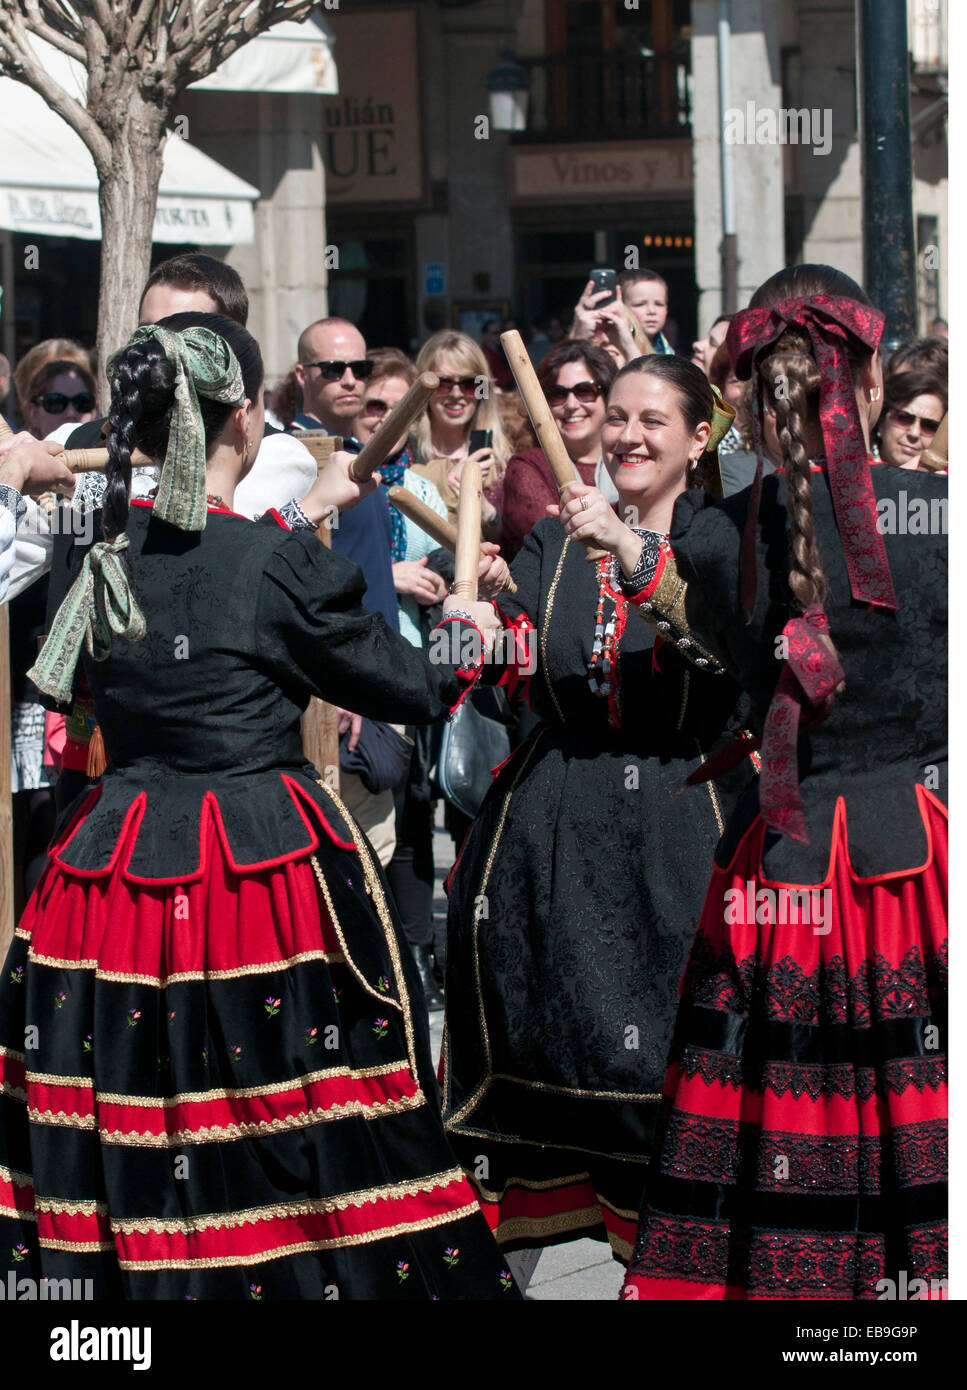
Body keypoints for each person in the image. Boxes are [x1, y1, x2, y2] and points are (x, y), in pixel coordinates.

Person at [0, 312, 520, 1301]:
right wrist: (465, 629)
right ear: (245, 419)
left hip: (109, 871)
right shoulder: (273, 564)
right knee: (298, 1111)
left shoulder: (107, 559)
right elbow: (407, 687)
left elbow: (194, 586)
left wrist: (305, 518)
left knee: (146, 1101)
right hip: (255, 867)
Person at [614, 265, 947, 1300]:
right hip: (911, 855)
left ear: (755, 397)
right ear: (874, 388)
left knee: (772, 1111)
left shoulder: (716, 538)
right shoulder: (941, 518)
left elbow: (723, 479)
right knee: (916, 1100)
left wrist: (746, 411)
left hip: (781, 859)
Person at [441, 355, 748, 1276]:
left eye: (653, 421)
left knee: (663, 1059)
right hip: (552, 830)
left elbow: (723, 664)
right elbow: (526, 680)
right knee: (547, 1034)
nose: (626, 436)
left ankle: (676, 1266)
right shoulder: (550, 543)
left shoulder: (724, 537)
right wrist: (481, 634)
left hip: (680, 825)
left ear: (699, 439)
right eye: (615, 417)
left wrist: (629, 548)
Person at [501, 340, 616, 559]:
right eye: (558, 394)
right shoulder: (528, 467)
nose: (571, 404)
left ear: (609, 397)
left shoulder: (630, 460)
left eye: (585, 391)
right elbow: (557, 547)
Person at [410, 330, 510, 544]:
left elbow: (514, 544)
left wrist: (486, 512)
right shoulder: (406, 450)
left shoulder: (503, 459)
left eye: (469, 384)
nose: (456, 394)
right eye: (442, 383)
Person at [875, 370, 946, 470]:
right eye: (903, 418)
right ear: (881, 421)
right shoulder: (853, 470)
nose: (914, 433)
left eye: (929, 426)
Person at [619, 270, 675, 355]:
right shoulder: (615, 351)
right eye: (640, 304)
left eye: (659, 304)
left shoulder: (668, 351)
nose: (652, 311)